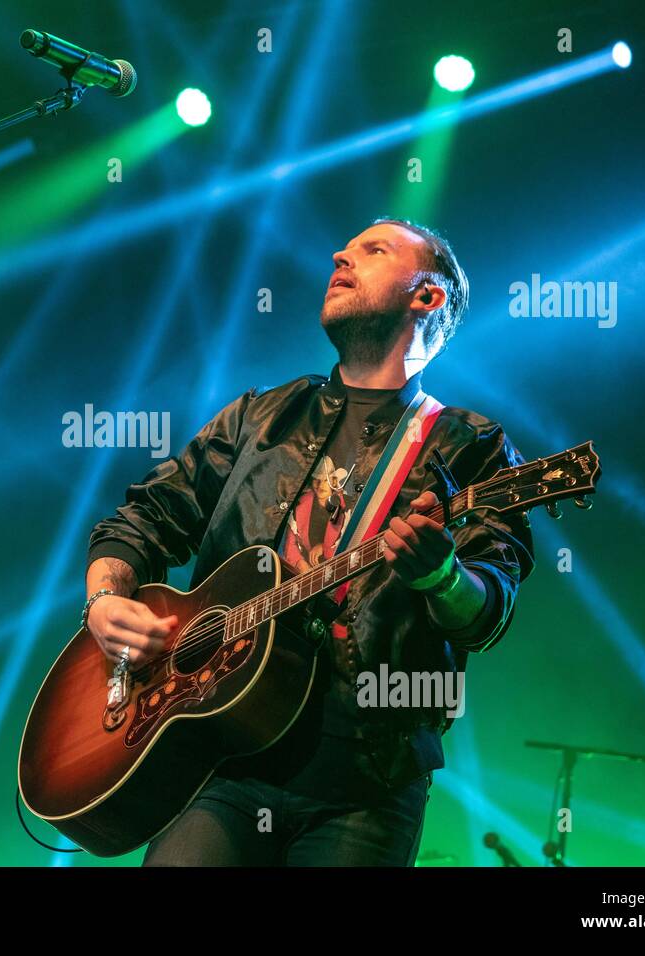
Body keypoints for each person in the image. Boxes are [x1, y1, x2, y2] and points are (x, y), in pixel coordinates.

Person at [83, 218, 535, 866]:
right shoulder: (260, 417)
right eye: (345, 249)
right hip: (221, 760)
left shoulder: (469, 446)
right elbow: (143, 518)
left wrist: (441, 577)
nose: (339, 256)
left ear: (427, 296)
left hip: (365, 782)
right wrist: (103, 602)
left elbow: (489, 610)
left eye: (372, 250)